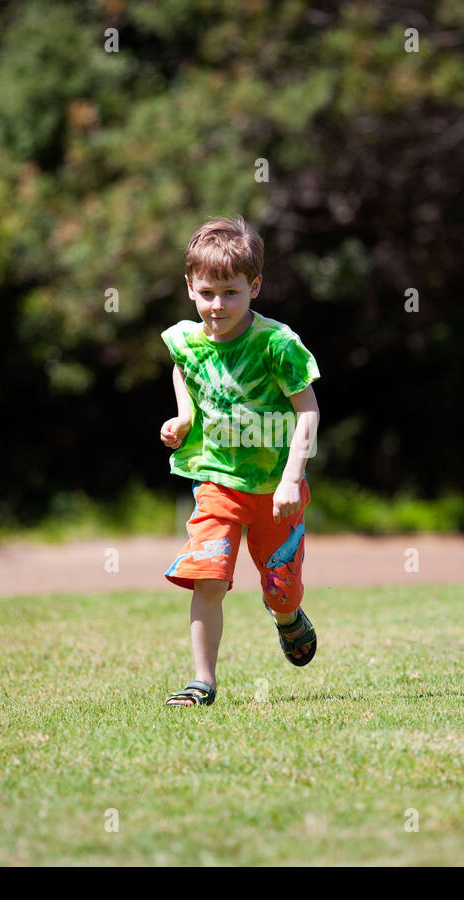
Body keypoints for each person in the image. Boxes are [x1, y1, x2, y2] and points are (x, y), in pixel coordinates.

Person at [159, 215, 321, 707]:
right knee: (207, 577)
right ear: (190, 287)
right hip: (216, 482)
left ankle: (288, 616)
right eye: (207, 292)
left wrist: (293, 477)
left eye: (230, 292)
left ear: (254, 286)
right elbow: (181, 368)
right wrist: (185, 416)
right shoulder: (188, 340)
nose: (217, 305)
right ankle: (202, 683)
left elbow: (308, 410)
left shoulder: (276, 345)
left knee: (280, 588)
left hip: (276, 489)